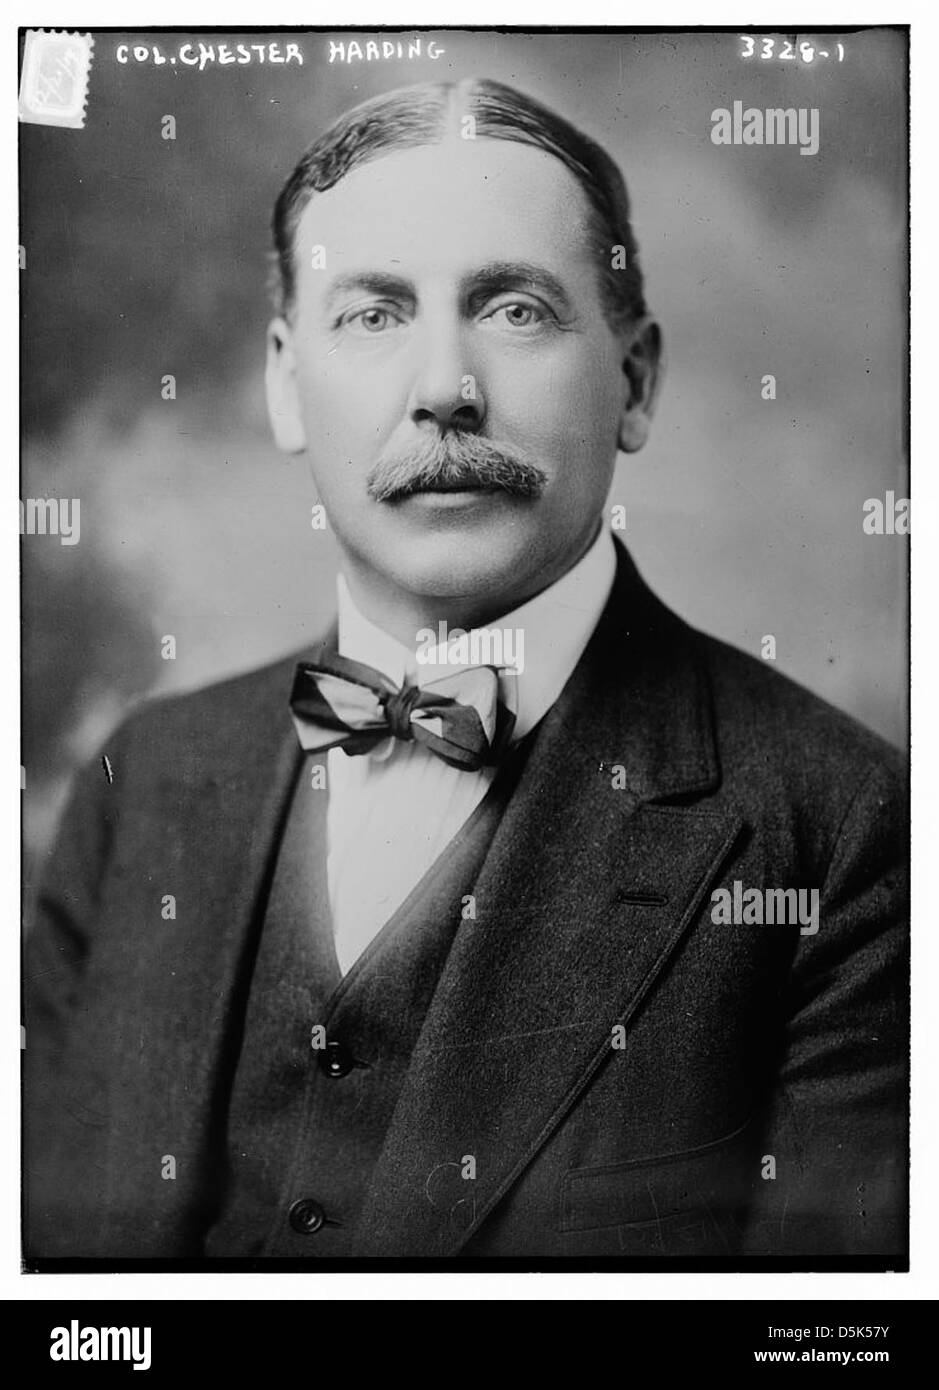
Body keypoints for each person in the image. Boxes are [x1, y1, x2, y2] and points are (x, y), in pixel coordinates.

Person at [24, 78, 907, 1263]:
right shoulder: (145, 780)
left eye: (516, 310)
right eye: (374, 314)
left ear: (635, 382)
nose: (445, 386)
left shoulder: (842, 828)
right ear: (287, 383)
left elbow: (829, 1334)